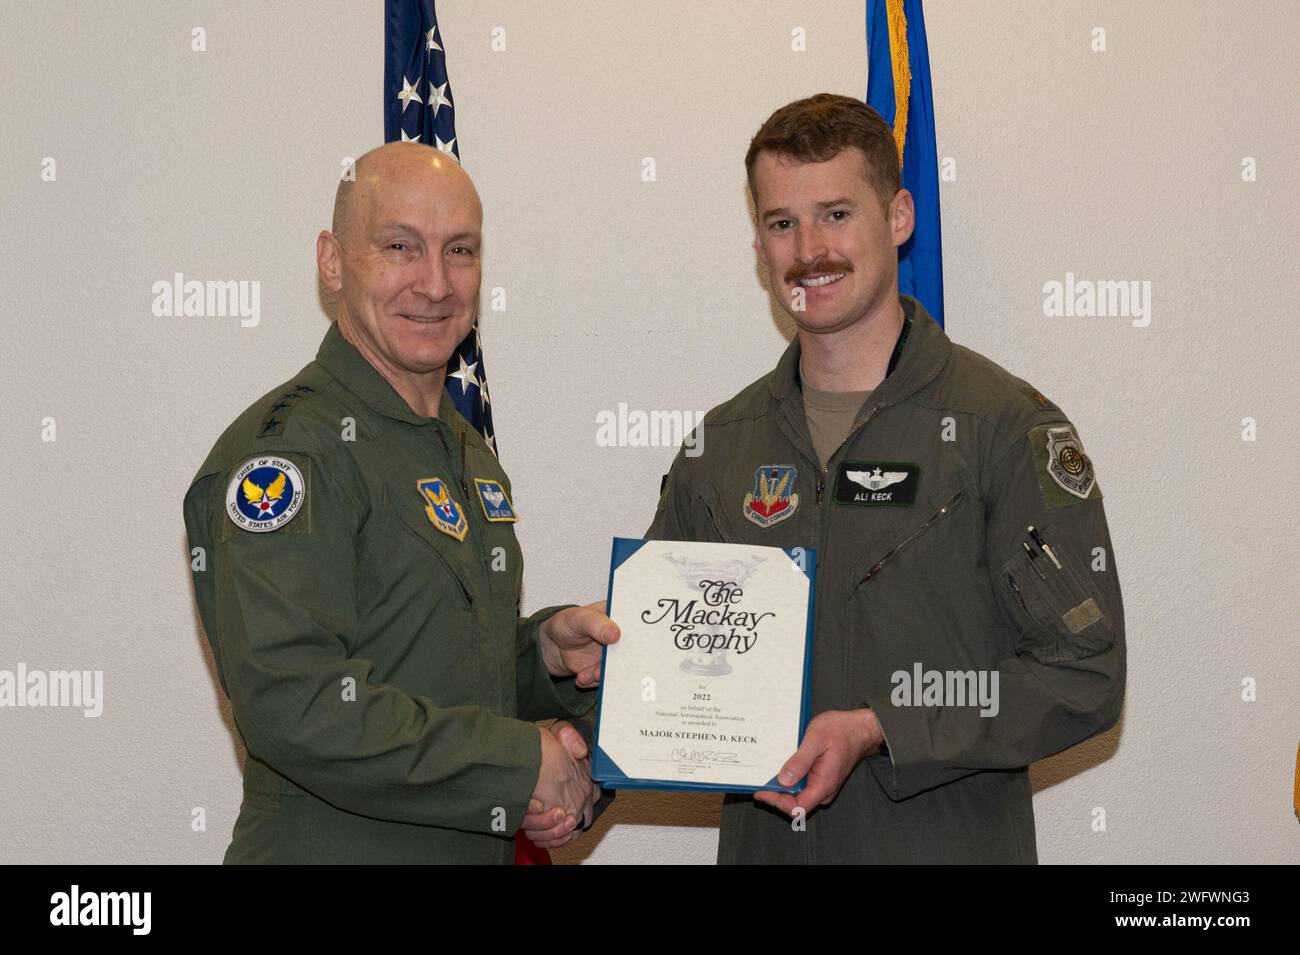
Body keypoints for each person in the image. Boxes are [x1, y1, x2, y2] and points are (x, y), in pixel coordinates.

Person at [641, 94, 1126, 863]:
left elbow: (1083, 672)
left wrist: (883, 726)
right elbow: (661, 674)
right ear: (759, 244)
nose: (809, 249)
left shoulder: (1003, 430)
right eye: (781, 223)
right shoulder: (719, 448)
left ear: (899, 217)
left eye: (836, 213)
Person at [183, 141, 609, 863]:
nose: (436, 283)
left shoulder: (464, 452)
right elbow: (297, 700)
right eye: (400, 246)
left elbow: (429, 661)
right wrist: (516, 760)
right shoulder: (290, 455)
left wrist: (543, 658)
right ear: (333, 260)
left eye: (461, 251)